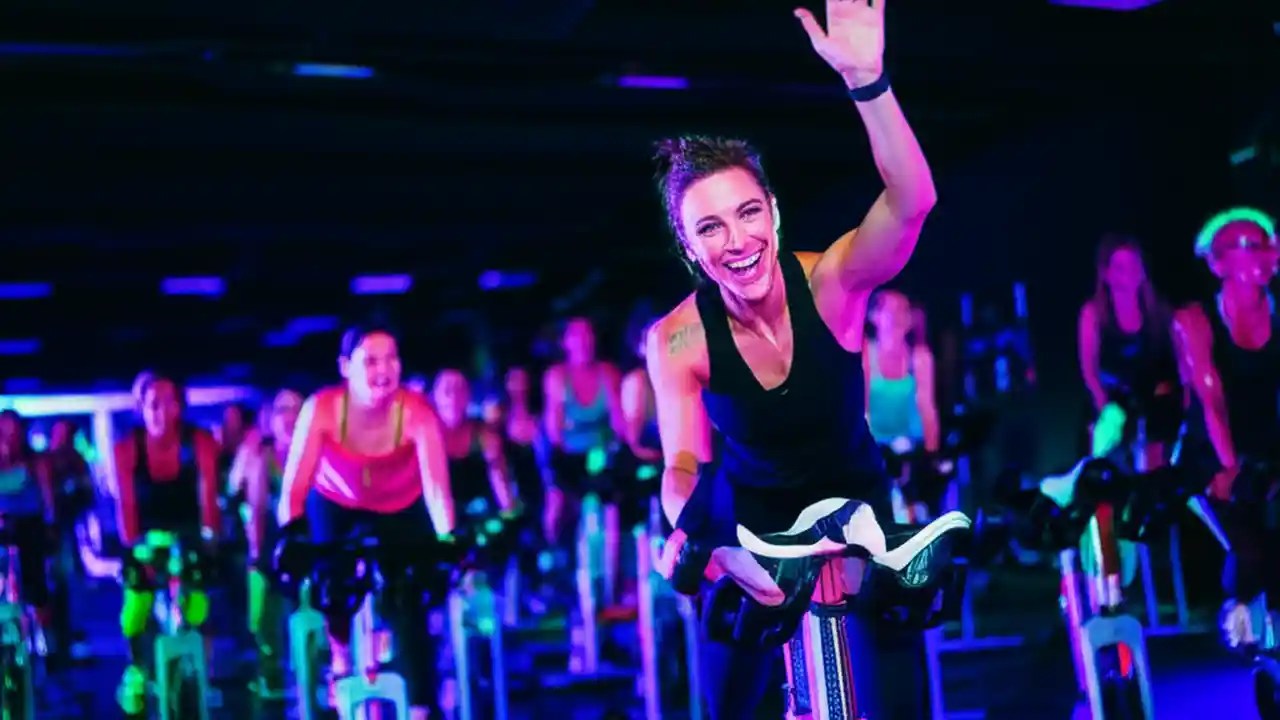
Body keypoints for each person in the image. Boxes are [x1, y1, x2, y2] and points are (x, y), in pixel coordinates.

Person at [644, 2, 949, 715]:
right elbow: (682, 466)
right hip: (754, 533)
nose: (737, 240)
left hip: (859, 512)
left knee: (895, 702)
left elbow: (913, 202)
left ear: (774, 213)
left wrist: (868, 83)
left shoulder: (832, 283)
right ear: (691, 251)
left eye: (749, 213)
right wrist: (705, 540)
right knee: (730, 702)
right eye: (710, 228)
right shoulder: (678, 340)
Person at [276, 325, 453, 720]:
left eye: (391, 358)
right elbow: (293, 490)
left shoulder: (417, 414)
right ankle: (339, 662)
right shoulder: (321, 409)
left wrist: (447, 540)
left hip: (400, 509)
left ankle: (421, 703)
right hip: (336, 504)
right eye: (370, 360)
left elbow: (438, 492)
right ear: (345, 367)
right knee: (332, 582)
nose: (383, 369)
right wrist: (290, 535)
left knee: (410, 603)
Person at [1172, 208, 1280, 649]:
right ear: (1218, 264)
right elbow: (1211, 400)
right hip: (1210, 455)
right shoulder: (1194, 320)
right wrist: (1229, 466)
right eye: (1245, 247)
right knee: (1249, 548)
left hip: (1267, 449)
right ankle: (1237, 611)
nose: (1262, 255)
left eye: (1264, 244)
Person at [110, 374, 222, 714]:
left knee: (198, 603)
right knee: (135, 609)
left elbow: (208, 497)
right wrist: (134, 547)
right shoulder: (127, 448)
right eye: (152, 404)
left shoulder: (200, 442)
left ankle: (202, 671)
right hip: (146, 535)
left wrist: (209, 538)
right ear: (141, 408)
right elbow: (126, 505)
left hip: (188, 532)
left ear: (179, 406)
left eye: (168, 404)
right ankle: (136, 670)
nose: (160, 412)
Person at [1077, 234, 1178, 469]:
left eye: (1134, 265)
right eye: (1121, 267)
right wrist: (1105, 407)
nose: (1129, 272)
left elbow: (1175, 361)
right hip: (1108, 403)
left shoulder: (1158, 310)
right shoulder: (1093, 314)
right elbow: (1089, 369)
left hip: (1149, 402)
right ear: (1107, 274)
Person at [229, 388, 303, 697]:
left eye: (295, 410)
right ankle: (270, 670)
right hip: (269, 548)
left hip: (307, 546)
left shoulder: (316, 451)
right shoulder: (261, 455)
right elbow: (248, 501)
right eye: (281, 410)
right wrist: (258, 555)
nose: (288, 418)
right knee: (265, 611)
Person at [864, 289, 940, 521]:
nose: (898, 317)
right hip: (876, 448)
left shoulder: (920, 357)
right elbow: (861, 408)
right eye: (891, 310)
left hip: (910, 449)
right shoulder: (865, 353)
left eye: (903, 311)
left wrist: (932, 456)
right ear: (874, 317)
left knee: (914, 508)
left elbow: (927, 407)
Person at [433, 369, 516, 520]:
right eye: (447, 390)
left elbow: (499, 475)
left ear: (468, 396)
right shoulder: (427, 436)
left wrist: (509, 510)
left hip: (479, 512)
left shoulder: (485, 434)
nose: (453, 398)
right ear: (436, 396)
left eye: (459, 390)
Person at [0, 411, 55, 630]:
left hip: (30, 525)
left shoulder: (35, 462)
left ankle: (44, 635)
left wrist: (51, 525)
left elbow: (47, 495)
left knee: (36, 583)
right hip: (3, 526)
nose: (8, 436)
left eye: (13, 430)